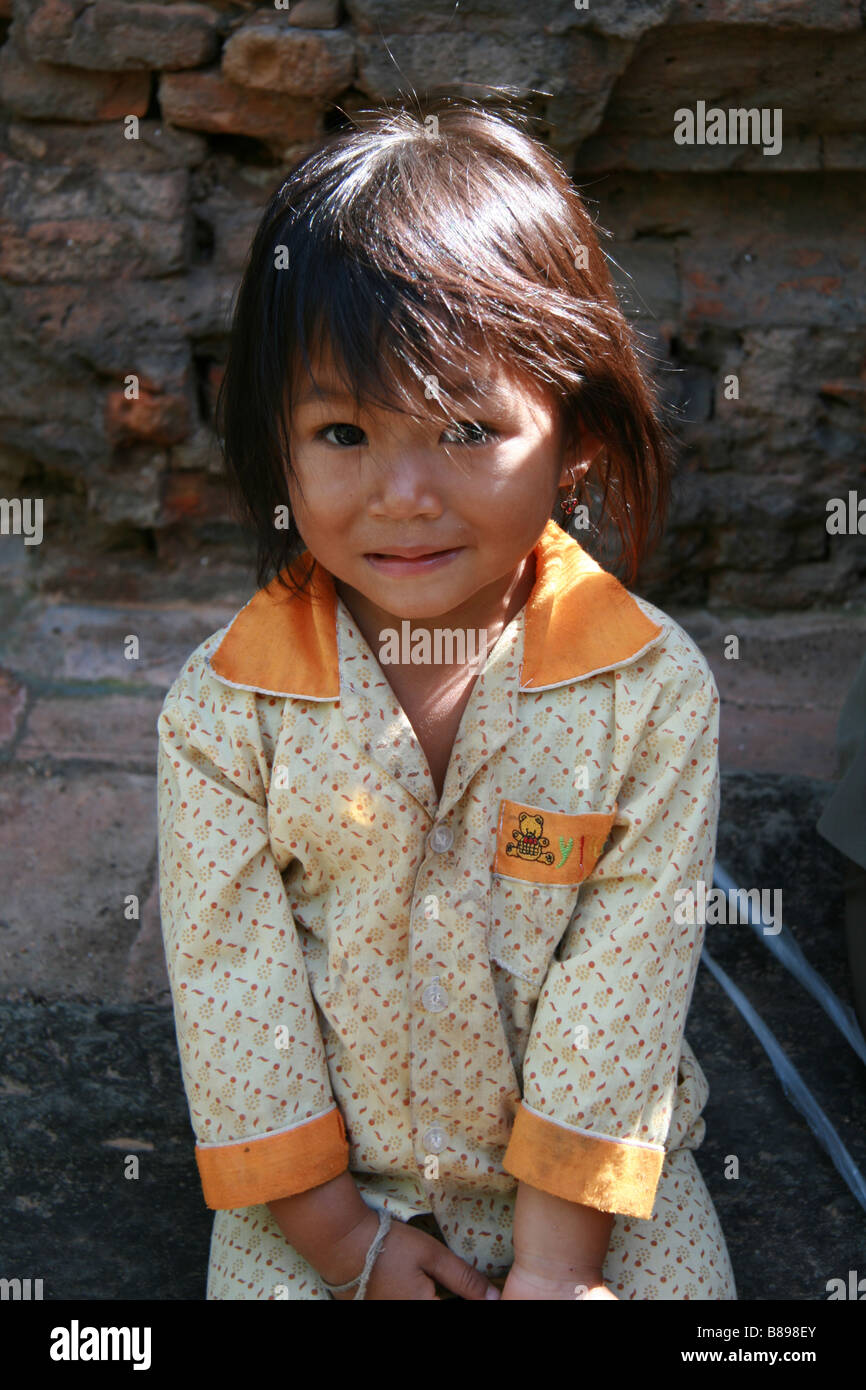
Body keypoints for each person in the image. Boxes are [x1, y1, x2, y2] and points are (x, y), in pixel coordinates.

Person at [156, 94, 736, 1301]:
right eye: (342, 430)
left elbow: (621, 994)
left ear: (573, 434)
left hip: (587, 1189)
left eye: (468, 427)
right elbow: (230, 992)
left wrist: (552, 1269)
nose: (404, 492)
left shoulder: (648, 693)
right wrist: (339, 1240)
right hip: (327, 1191)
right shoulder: (222, 714)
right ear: (279, 436)